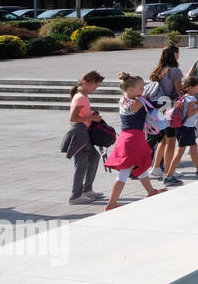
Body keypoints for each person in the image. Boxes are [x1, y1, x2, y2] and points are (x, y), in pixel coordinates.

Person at [104, 72, 168, 211]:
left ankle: (151, 192)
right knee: (124, 172)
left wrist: (143, 97)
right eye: (141, 88)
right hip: (133, 139)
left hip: (127, 137)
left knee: (140, 167)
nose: (143, 90)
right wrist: (171, 103)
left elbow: (145, 101)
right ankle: (112, 203)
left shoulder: (123, 100)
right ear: (130, 89)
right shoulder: (138, 102)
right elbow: (152, 104)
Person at [63, 70, 106, 204]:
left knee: (94, 157)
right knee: (81, 164)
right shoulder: (81, 97)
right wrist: (92, 117)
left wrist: (91, 115)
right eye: (95, 85)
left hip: (82, 132)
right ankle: (75, 196)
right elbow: (73, 118)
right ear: (85, 82)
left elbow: (80, 115)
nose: (96, 88)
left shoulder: (81, 96)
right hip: (79, 132)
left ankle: (87, 190)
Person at [164, 76, 198, 180]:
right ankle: (168, 177)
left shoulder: (184, 96)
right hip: (187, 128)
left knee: (193, 147)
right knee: (180, 152)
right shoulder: (191, 98)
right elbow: (190, 114)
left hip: (181, 127)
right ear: (190, 87)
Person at [145, 46, 183, 179]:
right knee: (171, 140)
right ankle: (168, 171)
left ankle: (156, 167)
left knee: (163, 138)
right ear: (175, 54)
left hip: (158, 107)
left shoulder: (158, 70)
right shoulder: (175, 71)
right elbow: (178, 91)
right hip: (169, 107)